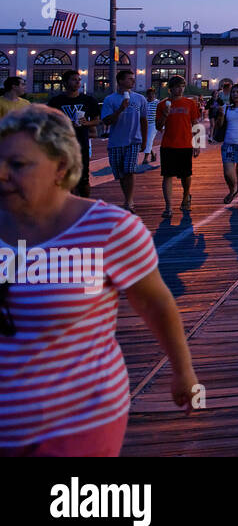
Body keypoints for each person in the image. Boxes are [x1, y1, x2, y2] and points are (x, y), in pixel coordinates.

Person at [0, 105, 199, 456]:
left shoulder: (108, 229)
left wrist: (183, 371)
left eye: (18, 165)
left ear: (60, 167)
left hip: (76, 421)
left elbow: (155, 303)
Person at [99, 69, 148, 213]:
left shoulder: (140, 98)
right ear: (120, 81)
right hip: (116, 141)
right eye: (129, 79)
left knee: (129, 170)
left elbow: (143, 120)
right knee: (121, 173)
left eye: (133, 79)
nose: (133, 81)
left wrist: (144, 141)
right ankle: (126, 197)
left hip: (134, 140)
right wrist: (120, 109)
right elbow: (107, 120)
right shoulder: (110, 99)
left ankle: (129, 201)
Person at [46, 69, 99, 199]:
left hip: (81, 144)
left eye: (79, 80)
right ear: (65, 82)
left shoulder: (88, 100)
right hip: (63, 145)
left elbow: (97, 120)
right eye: (74, 80)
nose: (77, 82)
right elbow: (49, 122)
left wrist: (86, 123)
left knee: (84, 178)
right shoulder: (56, 101)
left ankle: (84, 205)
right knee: (65, 178)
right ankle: (69, 205)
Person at [155, 76, 201, 218]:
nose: (180, 89)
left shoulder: (190, 103)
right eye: (177, 86)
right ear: (170, 89)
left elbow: (195, 123)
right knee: (167, 175)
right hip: (168, 144)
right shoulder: (162, 105)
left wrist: (198, 143)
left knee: (186, 175)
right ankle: (168, 206)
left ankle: (186, 196)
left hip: (185, 144)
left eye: (182, 86)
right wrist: (164, 115)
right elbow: (158, 126)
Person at [142, 86, 161, 166]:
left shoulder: (157, 103)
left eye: (152, 94)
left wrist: (161, 126)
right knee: (144, 141)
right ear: (147, 95)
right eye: (149, 94)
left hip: (153, 124)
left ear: (154, 94)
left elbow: (160, 114)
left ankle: (145, 158)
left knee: (149, 140)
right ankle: (153, 154)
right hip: (143, 124)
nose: (151, 96)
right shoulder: (144, 102)